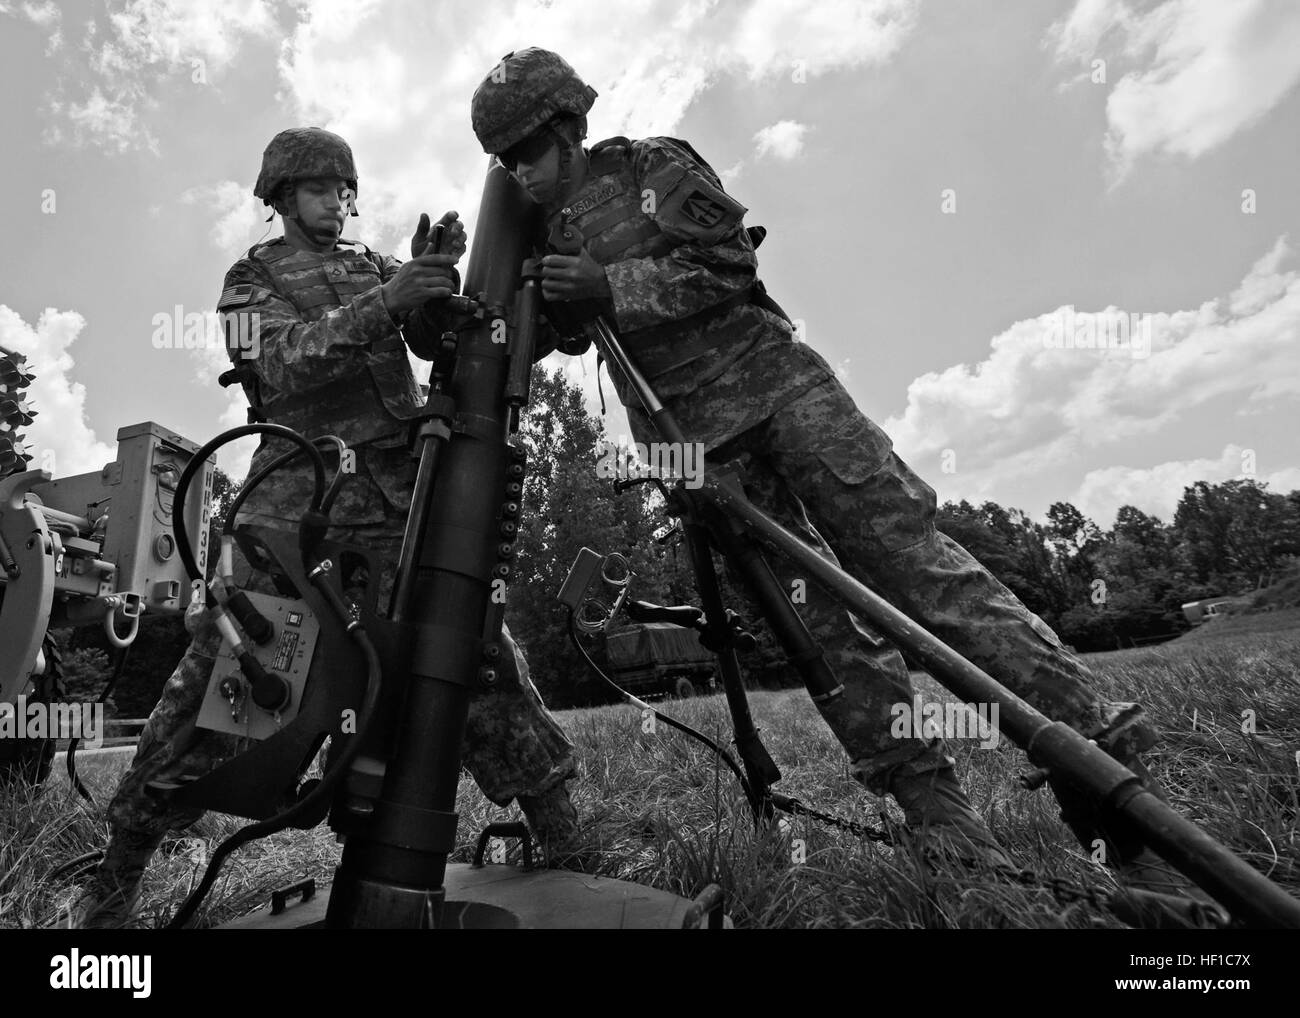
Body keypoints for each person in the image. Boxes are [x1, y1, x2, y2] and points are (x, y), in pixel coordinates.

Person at [468, 49, 1205, 900]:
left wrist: (612, 285)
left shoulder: (650, 167)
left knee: (919, 578)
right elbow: (554, 336)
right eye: (505, 159)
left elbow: (728, 265)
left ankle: (1125, 797)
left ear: (570, 128)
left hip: (784, 398)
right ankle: (944, 827)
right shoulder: (540, 229)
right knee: (820, 637)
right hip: (695, 451)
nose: (521, 171)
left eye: (531, 150)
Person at [74, 127, 580, 927]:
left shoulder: (372, 265)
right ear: (280, 196)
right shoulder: (251, 278)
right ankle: (115, 882)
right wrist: (390, 301)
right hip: (296, 514)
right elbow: (278, 363)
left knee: (474, 660)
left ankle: (564, 831)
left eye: (345, 191)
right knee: (224, 691)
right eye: (319, 190)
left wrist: (431, 280)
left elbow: (432, 337)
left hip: (402, 507)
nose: (336, 205)